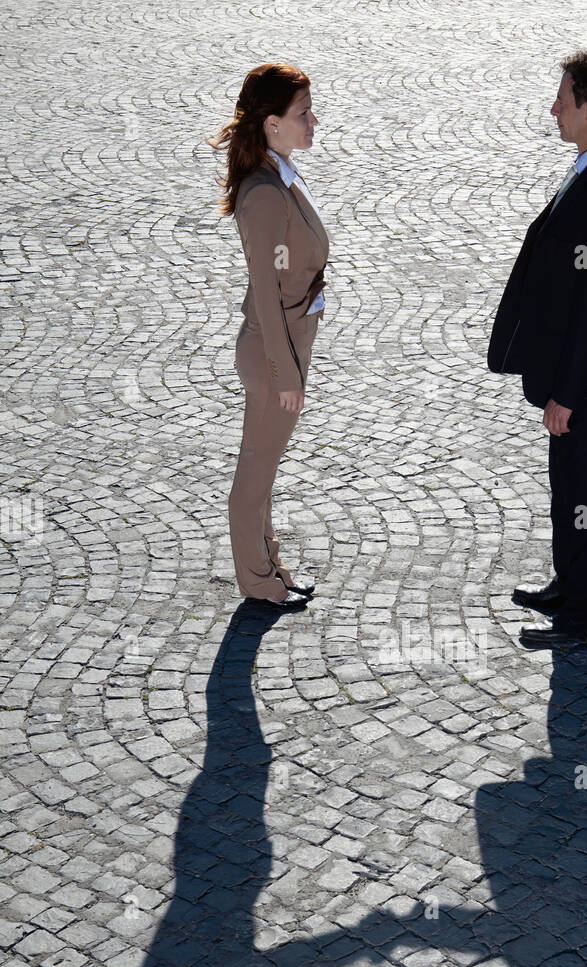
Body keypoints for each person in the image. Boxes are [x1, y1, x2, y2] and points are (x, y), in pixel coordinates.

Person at [487, 50, 587, 647]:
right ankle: (569, 584)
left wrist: (568, 393)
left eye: (564, 100)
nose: (554, 109)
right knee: (569, 483)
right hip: (573, 375)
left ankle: (586, 610)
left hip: (586, 381)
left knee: (584, 488)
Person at [208, 63, 329, 606]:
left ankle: (271, 566)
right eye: (304, 113)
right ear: (272, 123)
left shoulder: (279, 174)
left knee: (265, 465)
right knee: (255, 471)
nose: (314, 121)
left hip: (286, 344)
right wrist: (285, 373)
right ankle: (257, 581)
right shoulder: (264, 195)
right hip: (272, 354)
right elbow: (264, 290)